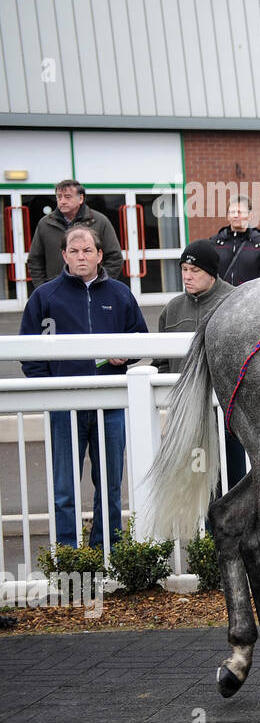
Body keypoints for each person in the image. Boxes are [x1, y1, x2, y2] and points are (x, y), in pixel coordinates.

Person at [20, 226, 147, 548]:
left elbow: (140, 338)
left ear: (100, 255)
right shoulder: (45, 297)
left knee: (110, 485)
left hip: (111, 405)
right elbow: (27, 354)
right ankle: (68, 553)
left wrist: (126, 355)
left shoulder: (119, 294)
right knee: (65, 489)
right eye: (74, 251)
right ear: (63, 255)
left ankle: (107, 551)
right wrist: (51, 390)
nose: (81, 257)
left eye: (87, 251)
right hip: (66, 407)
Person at [157, 239, 245, 489]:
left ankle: (229, 530)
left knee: (232, 483)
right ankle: (202, 530)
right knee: (193, 487)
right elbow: (161, 361)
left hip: (227, 415)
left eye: (195, 271)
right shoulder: (172, 309)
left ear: (212, 273)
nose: (187, 276)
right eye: (184, 269)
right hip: (187, 416)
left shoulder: (235, 300)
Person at [27, 179, 124, 287]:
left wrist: (100, 283)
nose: (62, 201)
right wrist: (43, 288)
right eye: (59, 197)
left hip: (92, 290)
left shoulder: (99, 221)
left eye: (68, 197)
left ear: (81, 198)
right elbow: (35, 260)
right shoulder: (45, 224)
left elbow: (115, 258)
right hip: (57, 292)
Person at [211, 195, 260, 286]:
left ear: (250, 215)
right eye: (232, 212)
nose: (235, 216)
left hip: (251, 298)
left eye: (239, 212)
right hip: (223, 298)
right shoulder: (215, 242)